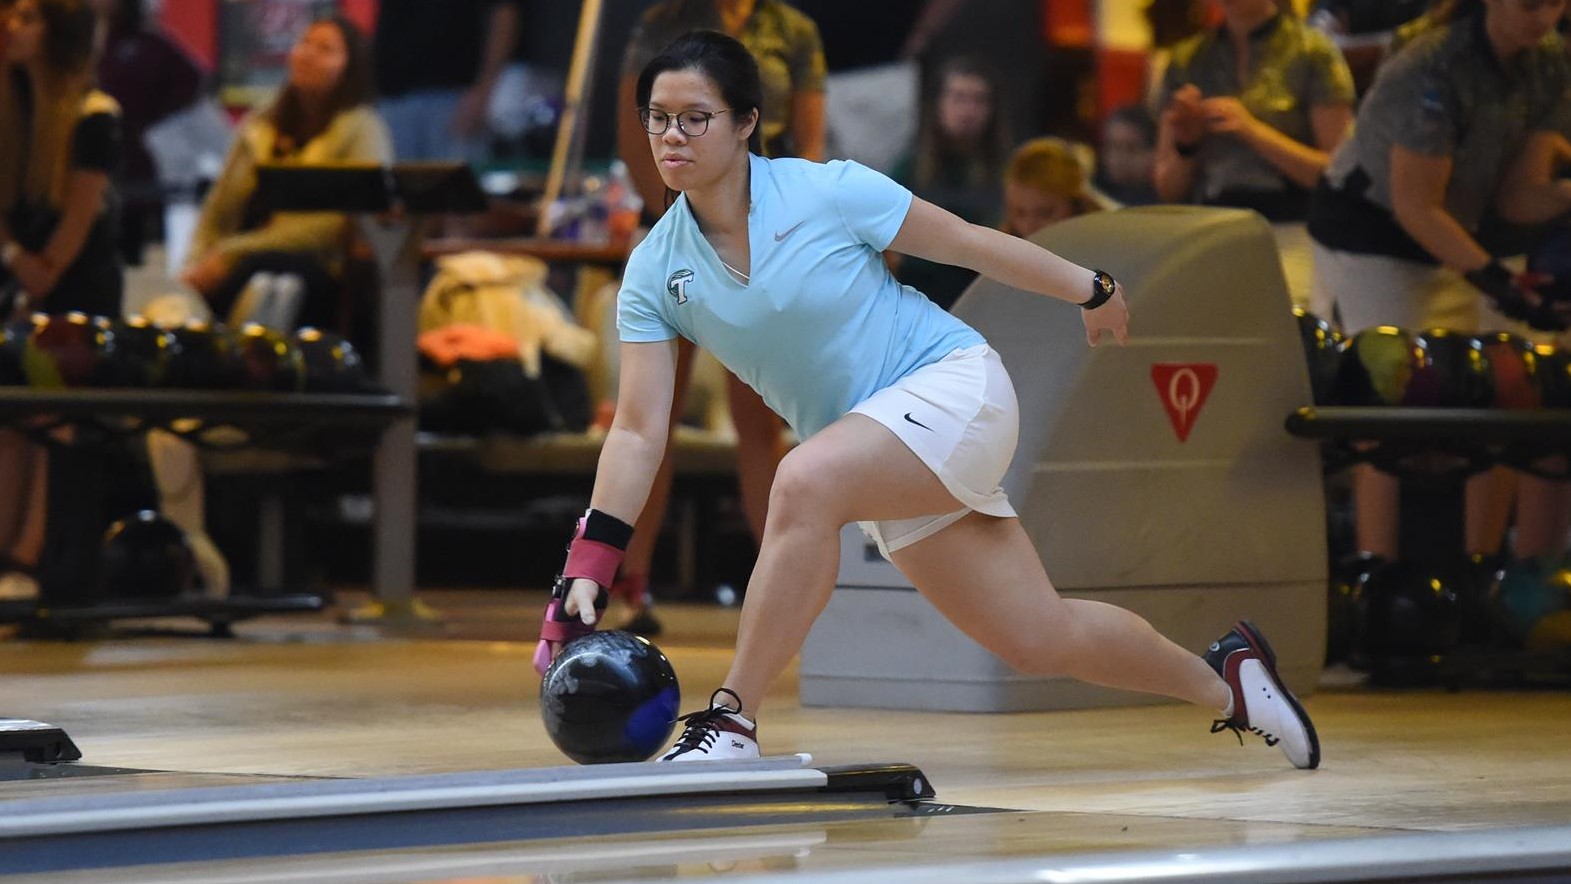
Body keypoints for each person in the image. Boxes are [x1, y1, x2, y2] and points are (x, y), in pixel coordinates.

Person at [536, 29, 1320, 771]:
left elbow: (972, 242)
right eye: (658, 119)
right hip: (873, 447)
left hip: (950, 388)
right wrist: (593, 558)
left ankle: (733, 718)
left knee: (804, 482)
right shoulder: (653, 271)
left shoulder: (827, 192)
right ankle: (1230, 682)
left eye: (695, 119)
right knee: (1037, 639)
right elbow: (638, 433)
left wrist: (1092, 288)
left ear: (745, 124)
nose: (672, 137)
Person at [1308, 0, 1571, 568]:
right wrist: (1500, 283)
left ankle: (1484, 572)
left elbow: (1518, 196)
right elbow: (1415, 205)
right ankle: (1377, 570)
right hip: (1370, 232)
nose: (1545, 18)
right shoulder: (1430, 64)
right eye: (1532, 5)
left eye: (1558, 5)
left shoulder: (1548, 63)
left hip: (1460, 227)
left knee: (1501, 388)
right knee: (1394, 389)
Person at [611, 0, 827, 634]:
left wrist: (774, 232)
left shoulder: (795, 30)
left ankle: (781, 588)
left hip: (763, 239)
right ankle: (634, 588)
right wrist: (686, 219)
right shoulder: (660, 21)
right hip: (677, 233)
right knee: (651, 420)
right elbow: (635, 136)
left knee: (758, 422)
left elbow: (807, 145)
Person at [0, 0, 123, 601]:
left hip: (78, 300)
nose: (11, 26)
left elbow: (63, 253)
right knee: (10, 416)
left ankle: (35, 556)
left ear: (59, 34)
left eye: (28, 17)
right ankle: (7, 549)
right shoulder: (13, 112)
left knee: (49, 412)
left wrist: (20, 264)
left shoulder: (93, 118)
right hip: (24, 291)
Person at [181, 15, 390, 333]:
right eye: (304, 43)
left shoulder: (362, 128)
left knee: (267, 272)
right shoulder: (260, 124)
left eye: (326, 49)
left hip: (317, 268)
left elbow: (339, 223)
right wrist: (196, 264)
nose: (308, 54)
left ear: (351, 67)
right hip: (235, 258)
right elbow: (218, 206)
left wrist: (234, 252)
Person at [1154, 0, 1355, 309]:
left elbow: (1337, 173)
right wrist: (1187, 144)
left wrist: (1253, 131)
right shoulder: (1187, 58)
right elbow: (1168, 186)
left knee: (1285, 328)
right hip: (1211, 231)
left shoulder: (1312, 51)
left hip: (1291, 229)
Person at [892, 56, 1011, 311]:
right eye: (958, 97)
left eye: (979, 100)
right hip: (919, 303)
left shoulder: (1008, 172)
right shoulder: (910, 170)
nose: (968, 110)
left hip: (989, 302)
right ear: (938, 104)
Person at [90, 0, 201, 266]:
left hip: (132, 160)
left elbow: (192, 79)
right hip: (83, 154)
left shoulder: (145, 43)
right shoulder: (76, 41)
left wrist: (149, 118)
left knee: (135, 253)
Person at [372, 0, 518, 162]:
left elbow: (503, 12)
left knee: (454, 184)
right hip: (392, 96)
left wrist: (483, 91)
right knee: (391, 183)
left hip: (454, 97)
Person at [1000, 136, 1101, 240]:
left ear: (1076, 206)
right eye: (1019, 213)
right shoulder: (997, 248)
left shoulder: (1110, 243)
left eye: (1044, 214)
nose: (1029, 227)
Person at [1094, 104, 1160, 208]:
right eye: (1112, 146)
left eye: (1131, 149)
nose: (1119, 158)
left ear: (1153, 153)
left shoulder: (1163, 199)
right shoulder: (1093, 195)